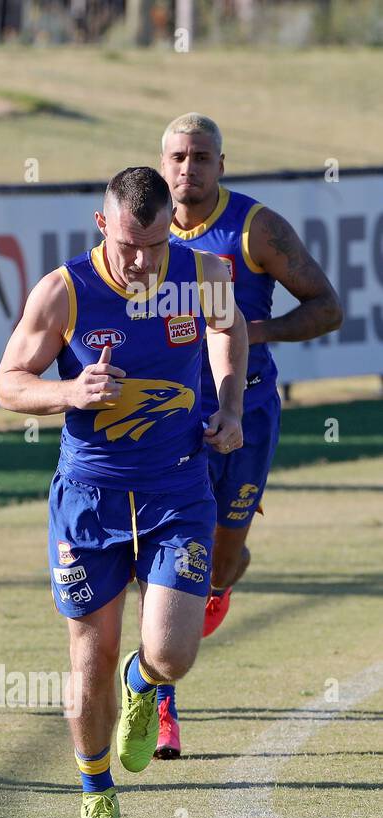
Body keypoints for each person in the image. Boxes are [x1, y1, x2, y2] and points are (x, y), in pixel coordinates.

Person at [0, 167, 247, 818]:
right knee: (91, 652)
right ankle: (96, 791)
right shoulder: (63, 291)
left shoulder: (204, 274)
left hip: (177, 487)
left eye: (156, 246)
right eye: (130, 245)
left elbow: (229, 329)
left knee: (173, 652)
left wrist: (229, 403)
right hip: (89, 498)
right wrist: (69, 394)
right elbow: (9, 383)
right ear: (103, 226)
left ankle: (146, 682)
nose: (142, 261)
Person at [153, 113, 342, 758]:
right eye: (177, 156)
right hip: (169, 420)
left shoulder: (256, 228)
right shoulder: (142, 230)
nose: (188, 169)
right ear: (161, 163)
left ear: (221, 165)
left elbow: (327, 306)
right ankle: (160, 699)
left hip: (248, 415)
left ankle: (221, 581)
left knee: (222, 560)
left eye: (201, 157)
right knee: (173, 556)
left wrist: (253, 332)